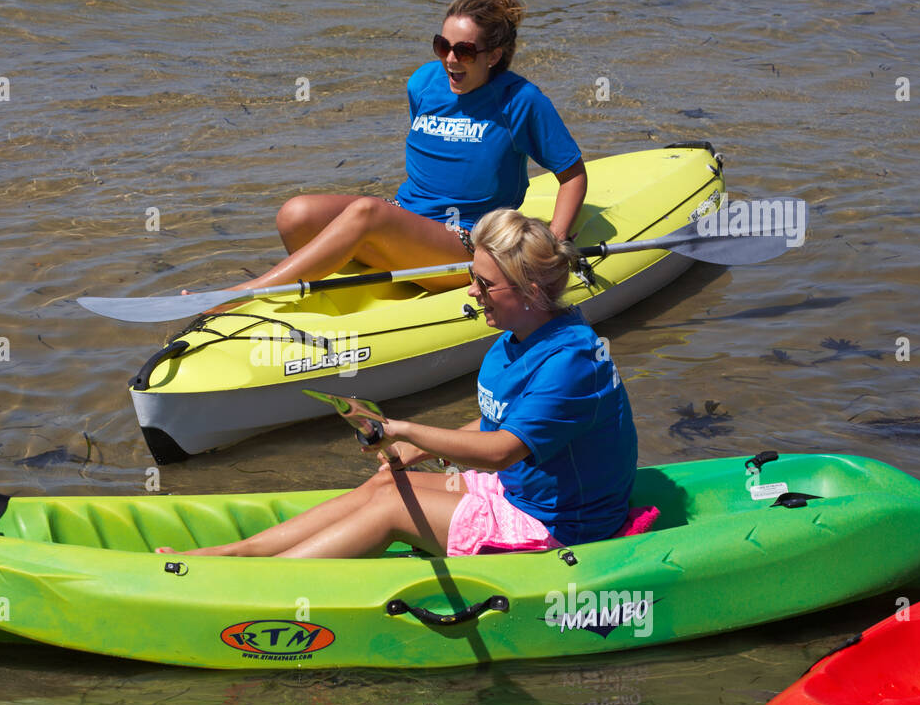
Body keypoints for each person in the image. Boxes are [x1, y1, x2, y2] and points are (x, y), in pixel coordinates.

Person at [163, 209, 636, 559]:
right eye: (474, 277)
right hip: (516, 494)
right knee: (390, 479)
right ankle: (242, 553)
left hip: (560, 527)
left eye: (486, 284)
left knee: (394, 508)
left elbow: (502, 451)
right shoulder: (518, 337)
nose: (473, 291)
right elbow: (501, 421)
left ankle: (260, 582)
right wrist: (418, 452)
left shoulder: (570, 360)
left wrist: (407, 432)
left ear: (531, 291)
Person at [217, 0, 587, 299]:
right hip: (407, 218)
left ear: (493, 56)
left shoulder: (520, 101)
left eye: (465, 51)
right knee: (295, 214)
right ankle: (343, 294)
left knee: (367, 212)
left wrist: (552, 246)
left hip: (470, 241)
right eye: (442, 46)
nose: (450, 60)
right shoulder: (424, 82)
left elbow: (571, 174)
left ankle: (247, 294)